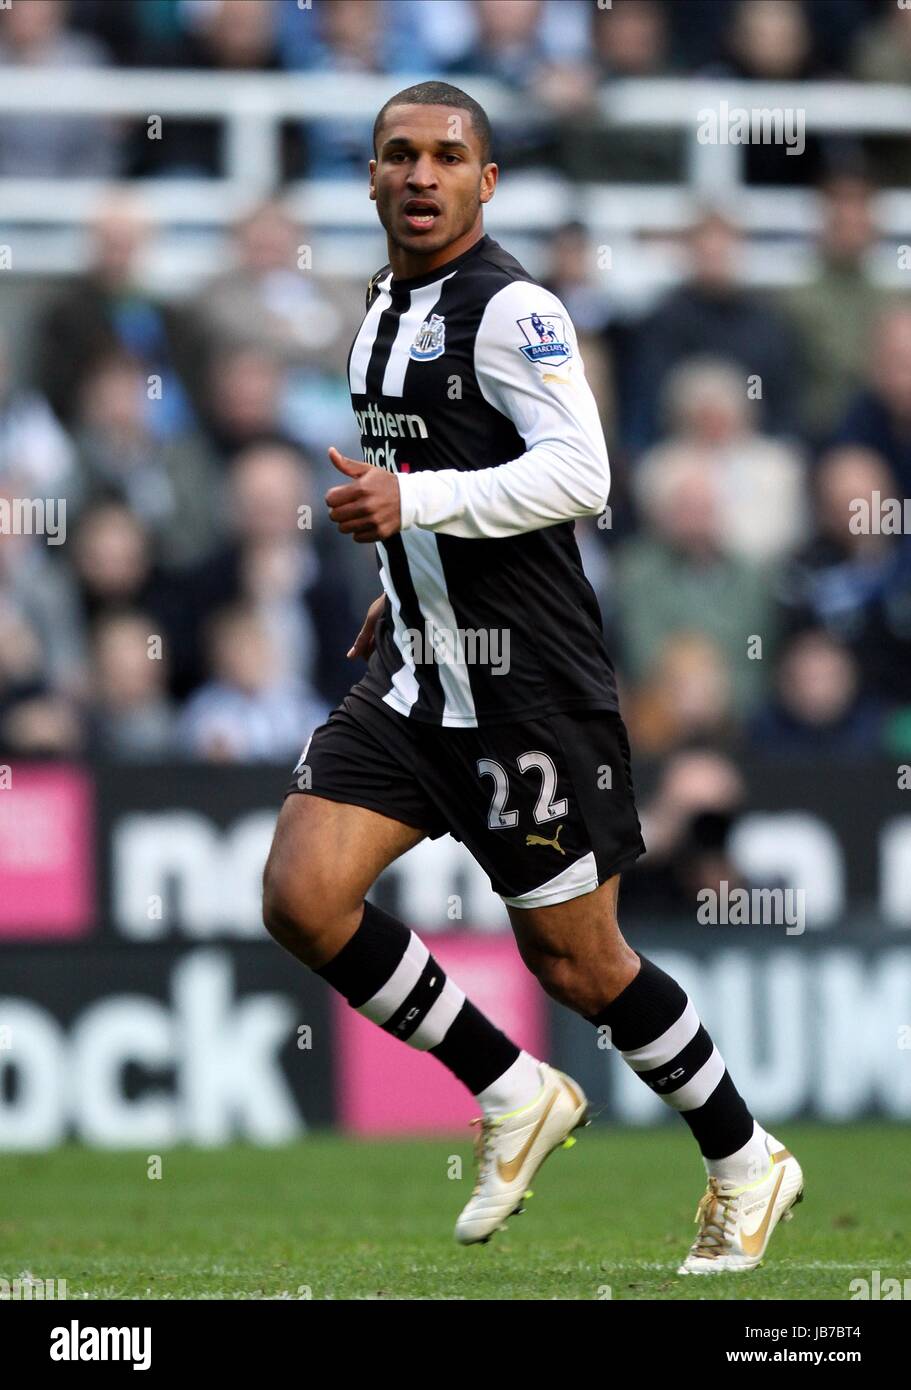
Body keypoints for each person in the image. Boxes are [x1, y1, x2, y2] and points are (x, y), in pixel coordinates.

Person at [261, 81, 803, 1273]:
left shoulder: (513, 310)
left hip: (528, 695)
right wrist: (405, 579)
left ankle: (744, 1153)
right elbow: (441, 480)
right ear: (367, 177)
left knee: (576, 962)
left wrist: (413, 504)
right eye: (397, 154)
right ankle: (511, 1089)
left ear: (485, 180)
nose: (419, 174)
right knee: (302, 892)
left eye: (446, 156)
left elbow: (580, 474)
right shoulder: (379, 310)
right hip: (419, 671)